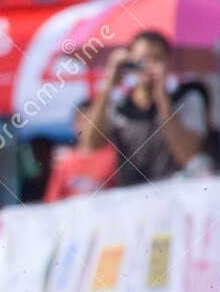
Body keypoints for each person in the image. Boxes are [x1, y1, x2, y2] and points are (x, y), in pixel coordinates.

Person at [77, 30, 210, 186]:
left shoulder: (186, 99)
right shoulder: (120, 105)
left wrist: (162, 100)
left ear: (168, 62)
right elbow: (89, 143)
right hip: (132, 199)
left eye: (157, 60)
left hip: (175, 198)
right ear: (131, 62)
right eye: (142, 60)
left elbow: (187, 154)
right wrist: (108, 85)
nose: (148, 66)